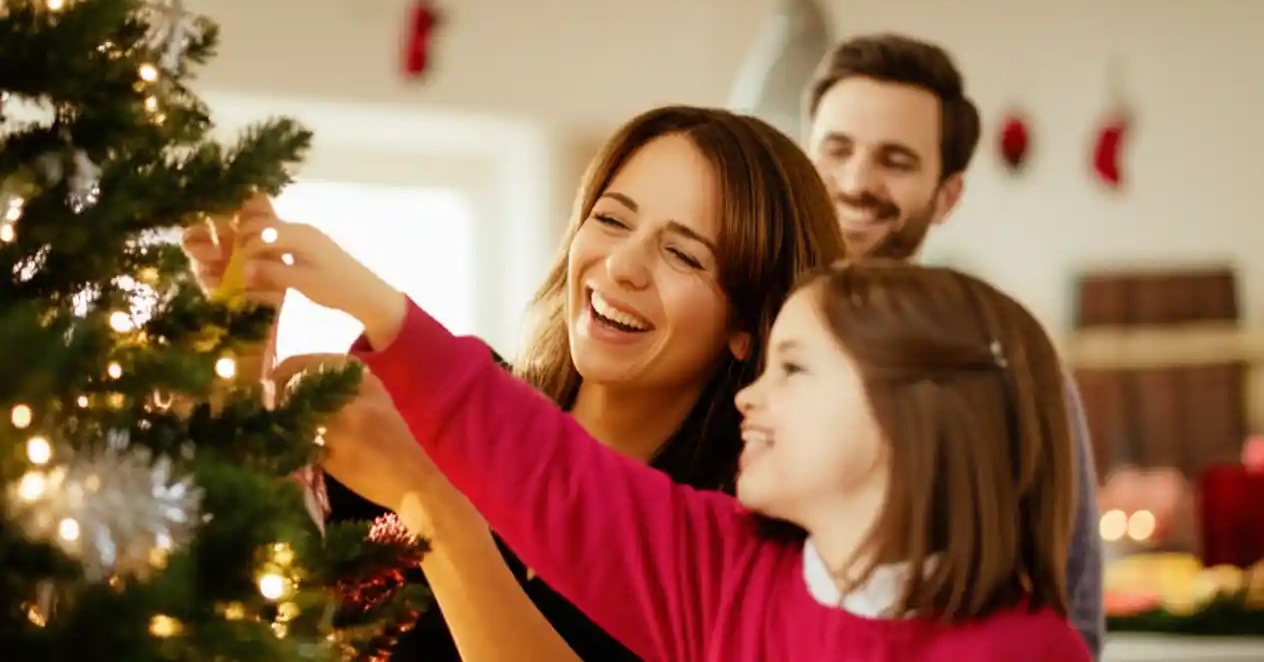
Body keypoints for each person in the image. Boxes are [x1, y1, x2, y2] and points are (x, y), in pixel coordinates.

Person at [231, 220, 1092, 661]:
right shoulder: (723, 572)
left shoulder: (1021, 647)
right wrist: (379, 311)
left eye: (795, 370)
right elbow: (545, 469)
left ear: (910, 420)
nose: (755, 399)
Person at [181, 105, 846, 660]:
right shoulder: (445, 413)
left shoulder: (722, 558)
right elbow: (247, 590)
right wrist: (243, 346)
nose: (621, 266)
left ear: (748, 325)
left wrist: (433, 505)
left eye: (682, 254)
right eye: (612, 219)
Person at [802, 33, 1103, 655]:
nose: (856, 181)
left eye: (896, 160)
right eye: (836, 150)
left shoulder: (1013, 372)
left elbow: (1072, 604)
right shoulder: (732, 340)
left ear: (947, 197)